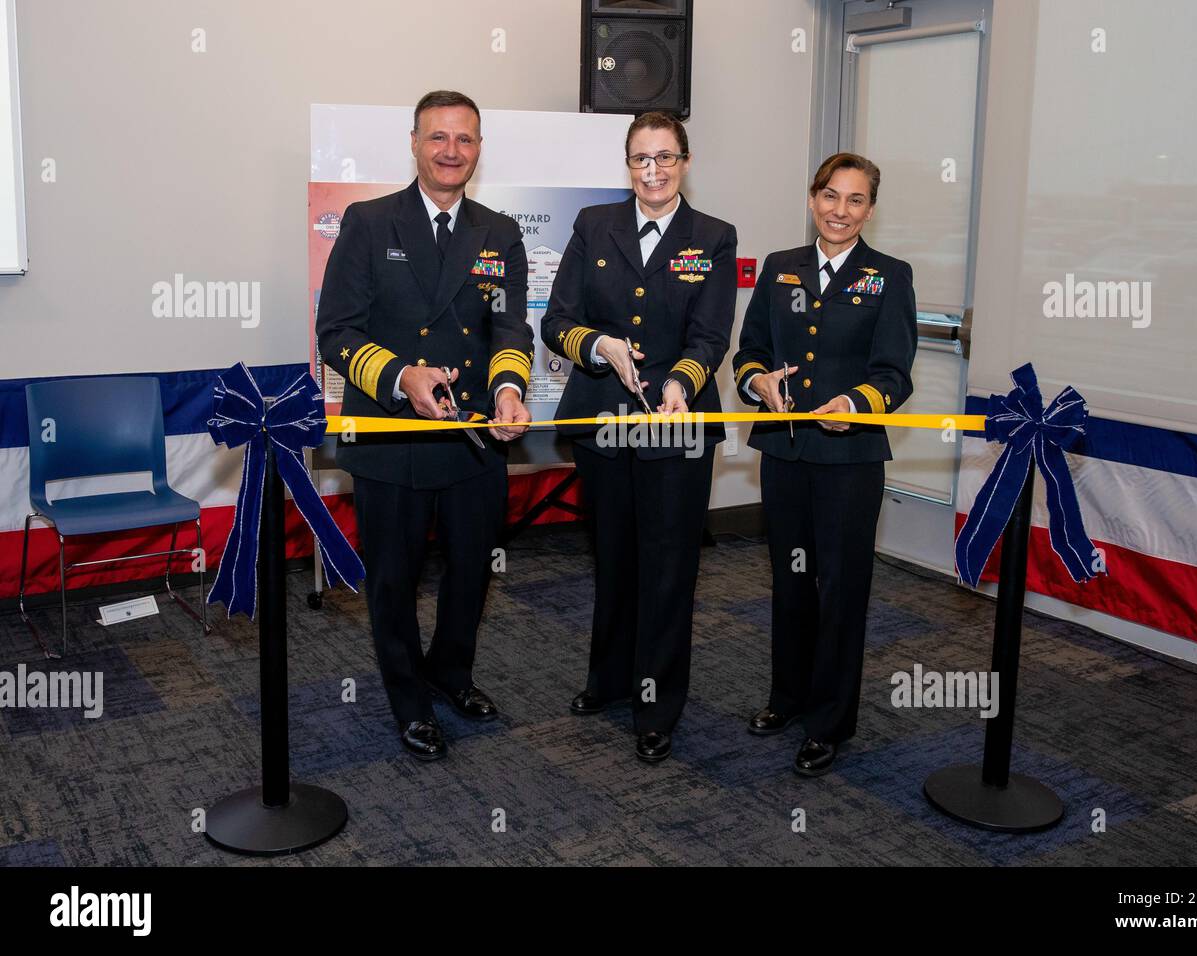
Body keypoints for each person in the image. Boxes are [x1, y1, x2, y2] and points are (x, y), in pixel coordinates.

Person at [316, 90, 533, 761]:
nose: (451, 151)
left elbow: (509, 328)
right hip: (391, 438)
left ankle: (452, 672)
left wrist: (506, 389)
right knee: (394, 580)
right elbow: (337, 333)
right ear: (413, 143)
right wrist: (400, 377)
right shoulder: (369, 222)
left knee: (472, 572)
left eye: (464, 140)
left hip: (473, 439)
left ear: (478, 149)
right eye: (438, 137)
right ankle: (409, 699)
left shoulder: (500, 232)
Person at [541, 111, 738, 763]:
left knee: (668, 567)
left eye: (664, 157)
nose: (651, 171)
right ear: (626, 164)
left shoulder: (712, 236)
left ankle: (656, 703)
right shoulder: (594, 224)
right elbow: (558, 321)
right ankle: (610, 680)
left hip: (677, 426)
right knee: (614, 555)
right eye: (639, 159)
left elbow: (710, 337)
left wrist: (681, 381)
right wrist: (597, 346)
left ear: (686, 159)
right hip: (603, 416)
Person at [732, 152, 917, 777]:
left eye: (856, 200)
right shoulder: (781, 269)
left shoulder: (890, 276)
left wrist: (859, 403)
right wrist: (758, 383)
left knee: (841, 590)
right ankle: (787, 698)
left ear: (871, 208)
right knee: (789, 578)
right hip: (785, 452)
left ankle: (830, 720)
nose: (841, 211)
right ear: (813, 198)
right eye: (831, 196)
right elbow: (749, 350)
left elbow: (894, 374)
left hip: (849, 459)